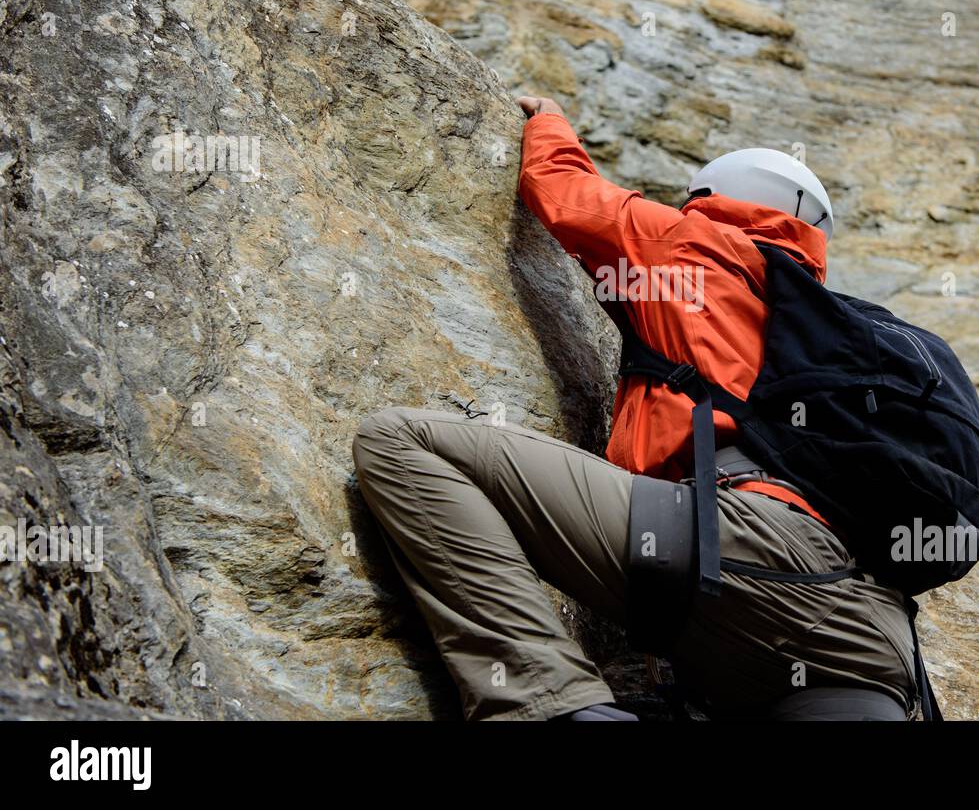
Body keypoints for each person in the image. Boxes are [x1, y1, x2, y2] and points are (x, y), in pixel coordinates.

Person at [350, 95, 919, 721]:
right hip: (874, 641)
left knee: (400, 443)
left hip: (740, 552)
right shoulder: (831, 327)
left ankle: (552, 705)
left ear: (711, 193)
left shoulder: (693, 242)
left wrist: (548, 119)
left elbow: (563, 190)